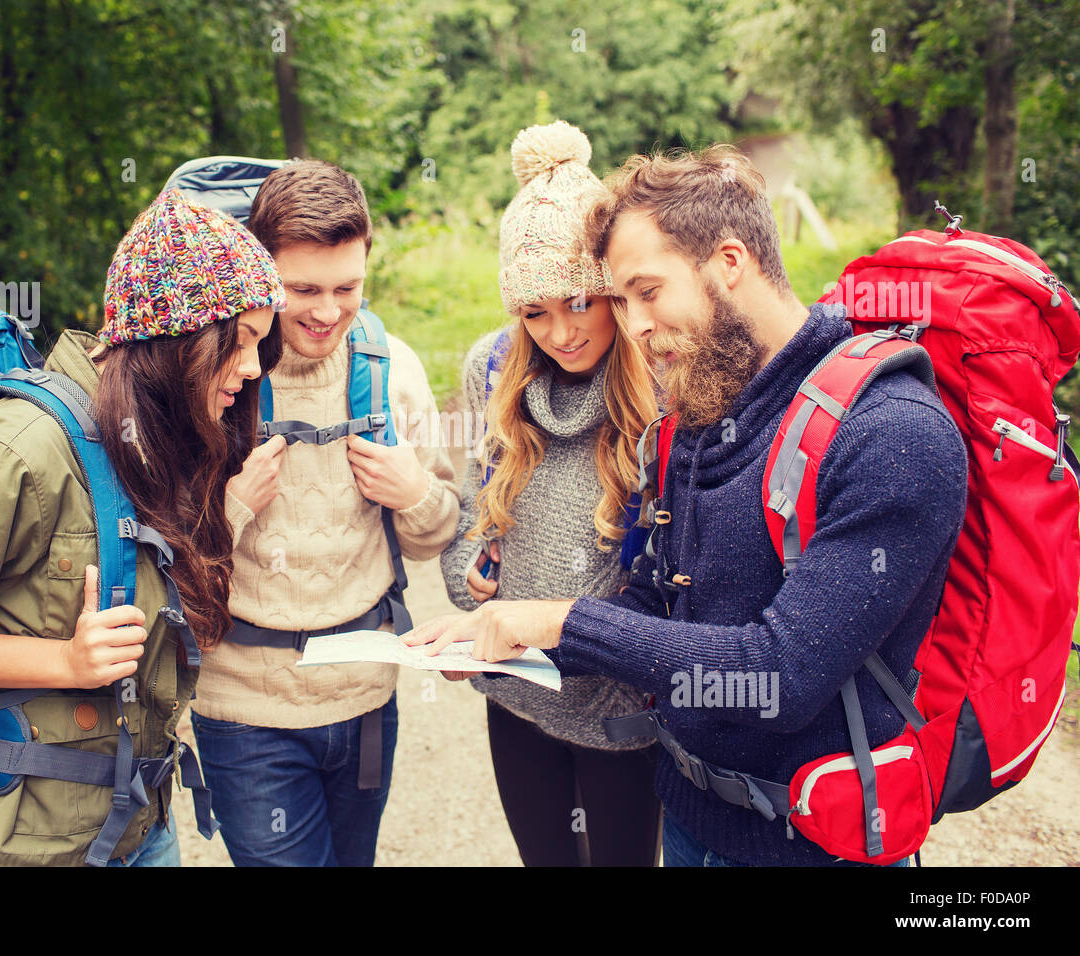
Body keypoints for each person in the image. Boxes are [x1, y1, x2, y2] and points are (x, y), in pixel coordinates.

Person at [408, 145, 968, 867]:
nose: (632, 325)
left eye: (646, 291)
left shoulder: (892, 432)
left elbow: (780, 675)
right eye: (621, 299)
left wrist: (561, 620)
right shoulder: (701, 406)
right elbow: (653, 604)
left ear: (728, 262)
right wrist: (504, 635)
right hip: (690, 817)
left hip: (811, 844)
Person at [0, 190, 285, 866]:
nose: (251, 370)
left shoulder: (157, 435)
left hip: (142, 828)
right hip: (31, 850)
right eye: (242, 341)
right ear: (178, 333)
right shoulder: (21, 450)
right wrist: (63, 662)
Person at [188, 159, 460, 867]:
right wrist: (233, 509)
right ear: (259, 273)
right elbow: (165, 560)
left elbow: (434, 537)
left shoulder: (388, 367)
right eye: (302, 289)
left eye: (348, 287)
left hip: (367, 698)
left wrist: (417, 496)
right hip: (247, 713)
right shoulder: (214, 379)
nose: (328, 312)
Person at [438, 120, 663, 866]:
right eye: (535, 313)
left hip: (622, 710)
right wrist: (474, 580)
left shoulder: (663, 386)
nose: (562, 332)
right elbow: (474, 518)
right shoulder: (492, 370)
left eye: (579, 302)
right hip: (518, 696)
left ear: (612, 291)